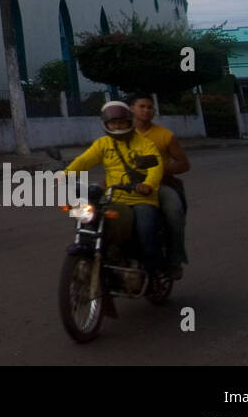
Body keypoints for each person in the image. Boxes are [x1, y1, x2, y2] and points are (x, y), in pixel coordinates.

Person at [61, 101, 166, 276]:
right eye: (113, 122)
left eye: (121, 122)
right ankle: (104, 257)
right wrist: (64, 175)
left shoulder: (145, 144)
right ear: (106, 124)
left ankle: (152, 268)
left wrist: (148, 185)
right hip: (113, 198)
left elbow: (156, 166)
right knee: (93, 221)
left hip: (141, 198)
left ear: (129, 122)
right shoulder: (102, 144)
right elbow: (85, 160)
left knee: (145, 230)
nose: (117, 125)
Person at [130, 92, 190, 278]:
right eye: (142, 106)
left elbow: (184, 164)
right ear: (132, 109)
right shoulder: (122, 133)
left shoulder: (165, 135)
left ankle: (175, 259)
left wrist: (159, 172)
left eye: (150, 107)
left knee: (175, 211)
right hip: (127, 186)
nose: (146, 110)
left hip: (160, 186)